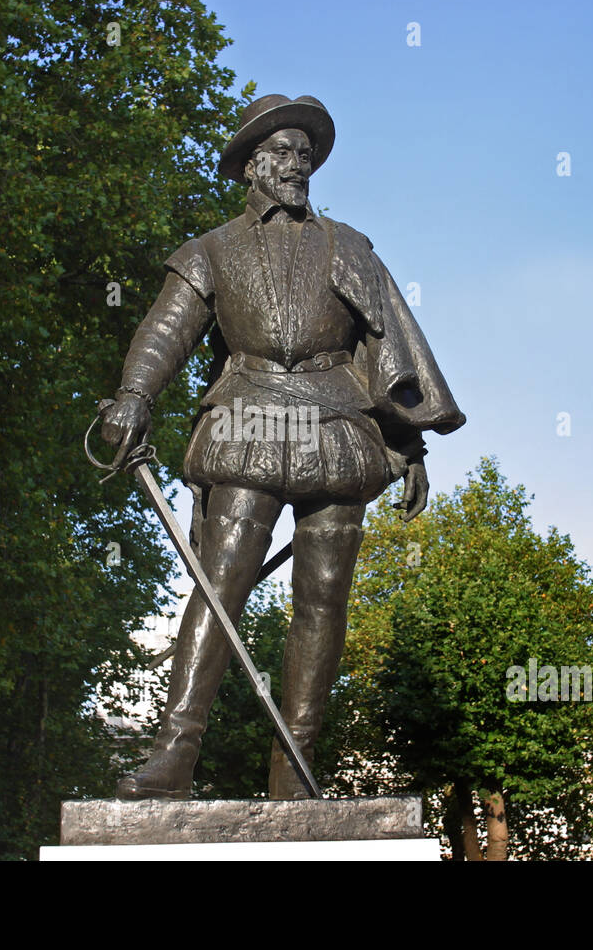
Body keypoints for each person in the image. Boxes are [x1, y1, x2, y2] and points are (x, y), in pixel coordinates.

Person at [100, 94, 465, 799]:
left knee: (324, 596)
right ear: (252, 165)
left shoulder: (349, 245)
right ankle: (174, 755)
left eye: (306, 153)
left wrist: (412, 444)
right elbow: (164, 332)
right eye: (286, 152)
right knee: (221, 581)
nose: (300, 164)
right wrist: (135, 397)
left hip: (337, 423)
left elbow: (386, 346)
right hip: (249, 420)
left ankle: (293, 769)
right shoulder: (211, 250)